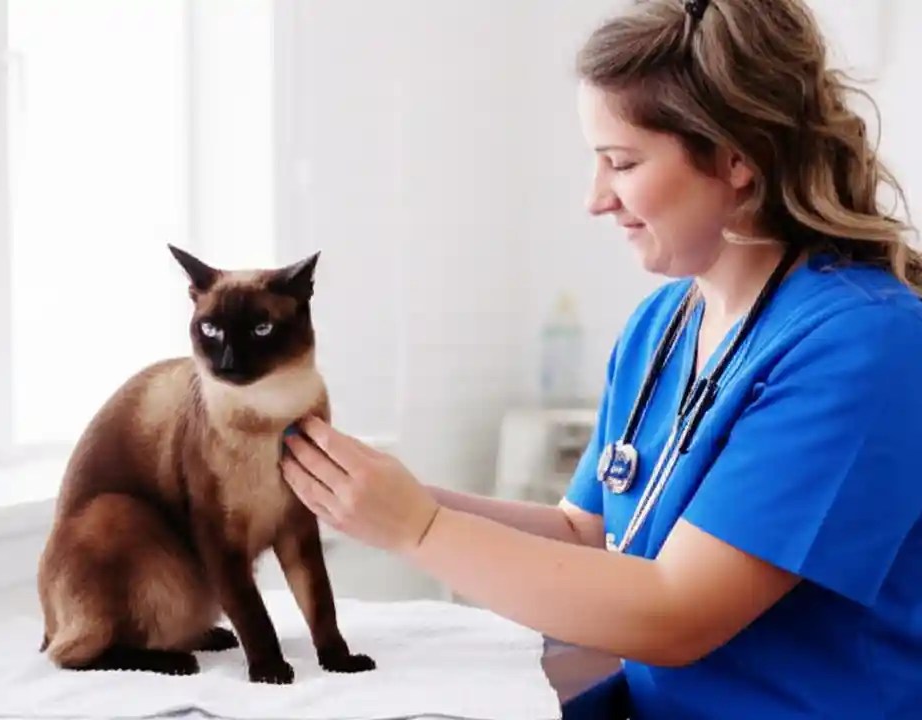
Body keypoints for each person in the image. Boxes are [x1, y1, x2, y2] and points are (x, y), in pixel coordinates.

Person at [278, 0, 922, 717]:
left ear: (738, 157)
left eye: (621, 162)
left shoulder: (866, 346)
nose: (594, 199)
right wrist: (377, 495)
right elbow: (589, 534)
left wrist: (418, 530)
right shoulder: (663, 325)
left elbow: (677, 614)